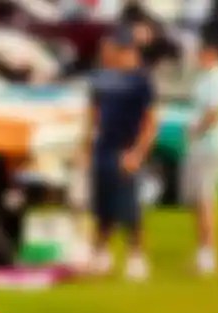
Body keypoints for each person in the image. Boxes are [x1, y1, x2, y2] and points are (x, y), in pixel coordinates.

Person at [86, 29, 159, 281]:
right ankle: (100, 254)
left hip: (126, 149)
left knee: (129, 207)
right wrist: (85, 145)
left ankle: (136, 255)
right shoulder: (101, 79)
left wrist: (138, 152)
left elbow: (150, 122)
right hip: (103, 148)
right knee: (102, 204)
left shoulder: (141, 81)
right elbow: (93, 115)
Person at [183, 38, 218, 276]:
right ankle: (203, 250)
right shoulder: (206, 76)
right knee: (198, 198)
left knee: (205, 198)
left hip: (210, 143)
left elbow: (213, 113)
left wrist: (196, 129)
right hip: (200, 144)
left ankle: (208, 254)